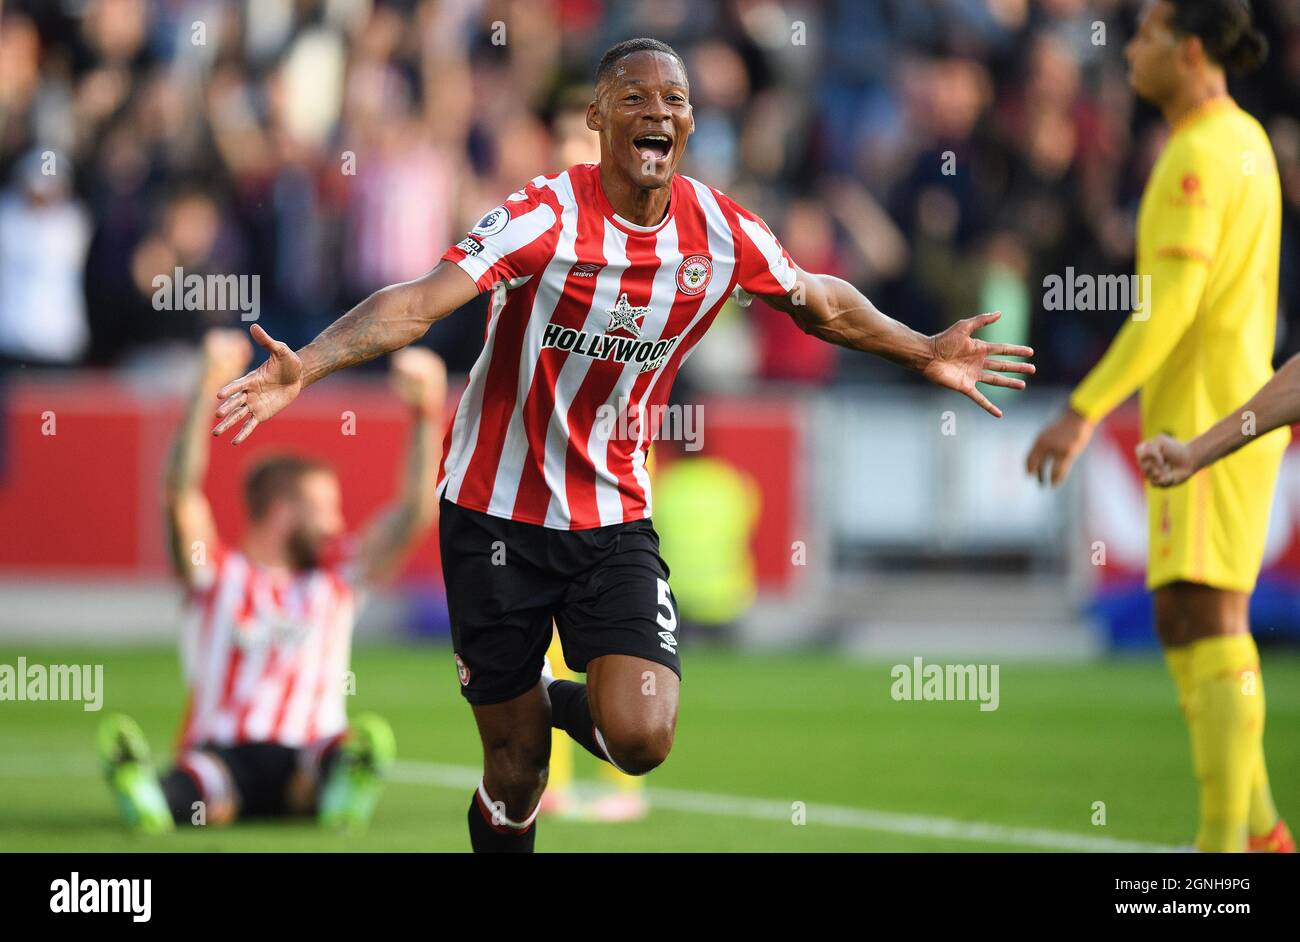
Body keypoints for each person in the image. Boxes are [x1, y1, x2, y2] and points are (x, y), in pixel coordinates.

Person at [210, 38, 1034, 852]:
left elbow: (819, 302)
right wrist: (307, 365)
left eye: (674, 101)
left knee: (641, 737)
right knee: (517, 767)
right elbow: (421, 301)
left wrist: (925, 348)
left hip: (611, 516)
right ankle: (526, 722)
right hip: (493, 514)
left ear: (690, 127)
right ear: (599, 117)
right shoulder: (545, 216)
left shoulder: (720, 232)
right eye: (636, 97)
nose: (658, 112)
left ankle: (547, 698)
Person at [1025, 0, 1292, 852]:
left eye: (1142, 34)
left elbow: (1169, 307)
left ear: (1187, 49)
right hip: (1219, 410)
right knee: (1185, 617)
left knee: (1212, 619)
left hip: (1216, 420)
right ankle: (1259, 836)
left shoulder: (1197, 155)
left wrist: (1081, 408)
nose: (1129, 49)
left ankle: (1221, 858)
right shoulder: (1243, 138)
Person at [99, 328, 445, 832]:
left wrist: (425, 412)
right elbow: (180, 495)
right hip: (224, 754)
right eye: (324, 510)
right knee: (197, 780)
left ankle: (344, 783)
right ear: (282, 513)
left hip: (308, 752)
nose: (335, 524)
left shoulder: (338, 576)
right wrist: (204, 388)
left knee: (336, 754)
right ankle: (153, 799)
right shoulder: (216, 574)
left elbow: (414, 514)